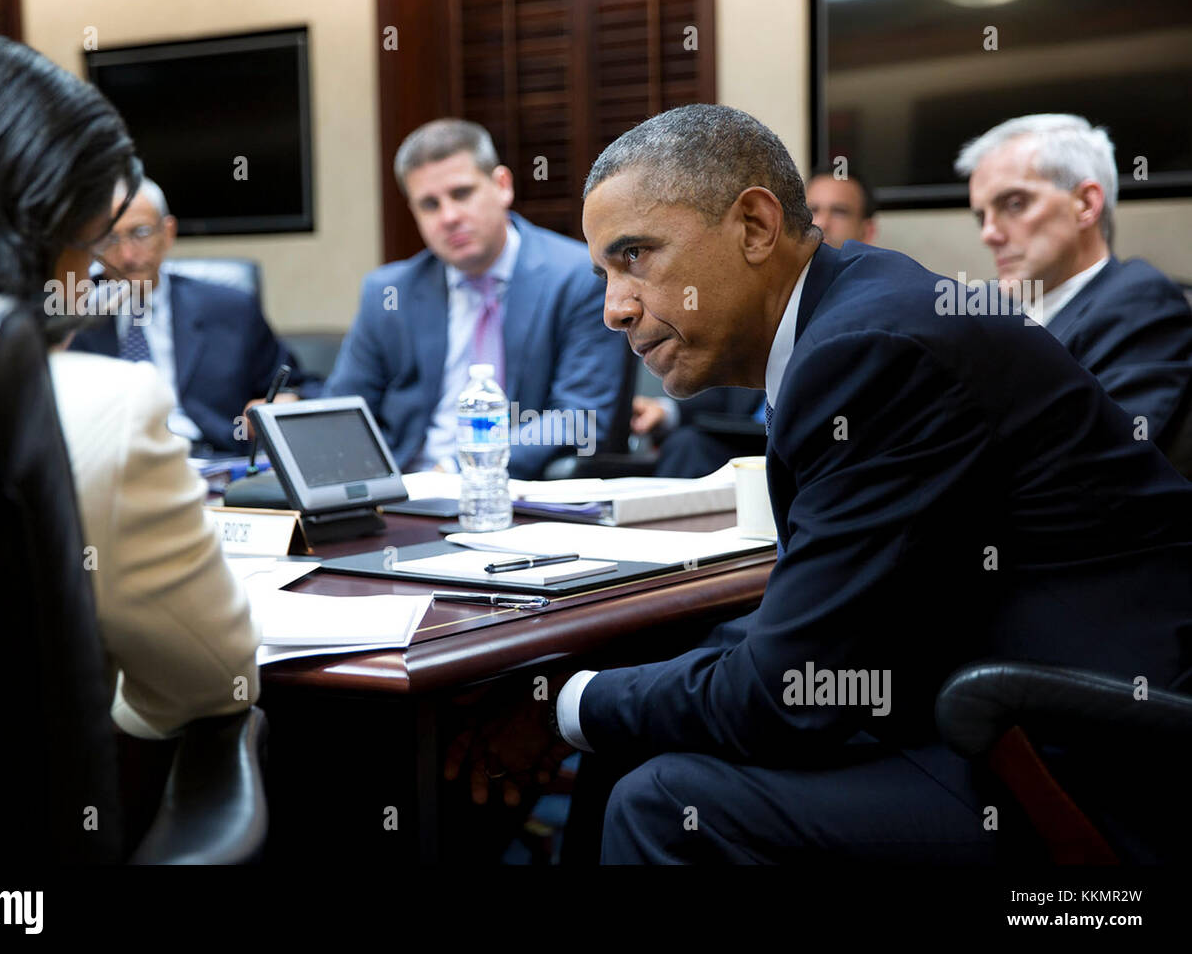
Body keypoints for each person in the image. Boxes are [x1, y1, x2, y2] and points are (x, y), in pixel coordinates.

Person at [451, 104, 1192, 863]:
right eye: (603, 273)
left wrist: (564, 707)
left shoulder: (866, 351)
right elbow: (820, 622)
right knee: (641, 739)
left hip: (1089, 757)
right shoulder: (852, 314)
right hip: (993, 700)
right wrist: (590, 701)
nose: (615, 308)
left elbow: (787, 689)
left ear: (754, 226)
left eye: (635, 255)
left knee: (663, 803)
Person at [0, 32, 259, 740]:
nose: (96, 276)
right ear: (22, 239)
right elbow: (215, 679)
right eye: (91, 244)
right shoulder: (97, 407)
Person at [309, 118, 625, 479]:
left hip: (511, 489)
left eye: (461, 194)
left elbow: (579, 419)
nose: (449, 217)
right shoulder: (388, 293)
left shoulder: (578, 277)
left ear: (502, 185)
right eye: (429, 204)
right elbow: (340, 413)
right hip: (402, 492)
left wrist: (461, 469)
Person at [957, 114, 1192, 463]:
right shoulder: (982, 304)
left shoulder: (1140, 303)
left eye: (1014, 203)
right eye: (981, 216)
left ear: (1085, 204)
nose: (988, 234)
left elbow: (1097, 467)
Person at [633, 164, 879, 477]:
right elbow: (721, 388)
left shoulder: (871, 308)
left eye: (839, 212)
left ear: (867, 231)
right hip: (741, 443)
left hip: (815, 449)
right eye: (813, 210)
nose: (823, 222)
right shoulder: (763, 290)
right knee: (687, 444)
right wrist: (665, 412)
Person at [69, 176, 313, 456]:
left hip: (212, 464)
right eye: (110, 238)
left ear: (168, 232)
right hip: (113, 465)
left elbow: (301, 386)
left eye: (140, 233)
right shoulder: (76, 317)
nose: (126, 255)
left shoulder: (230, 309)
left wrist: (284, 402)